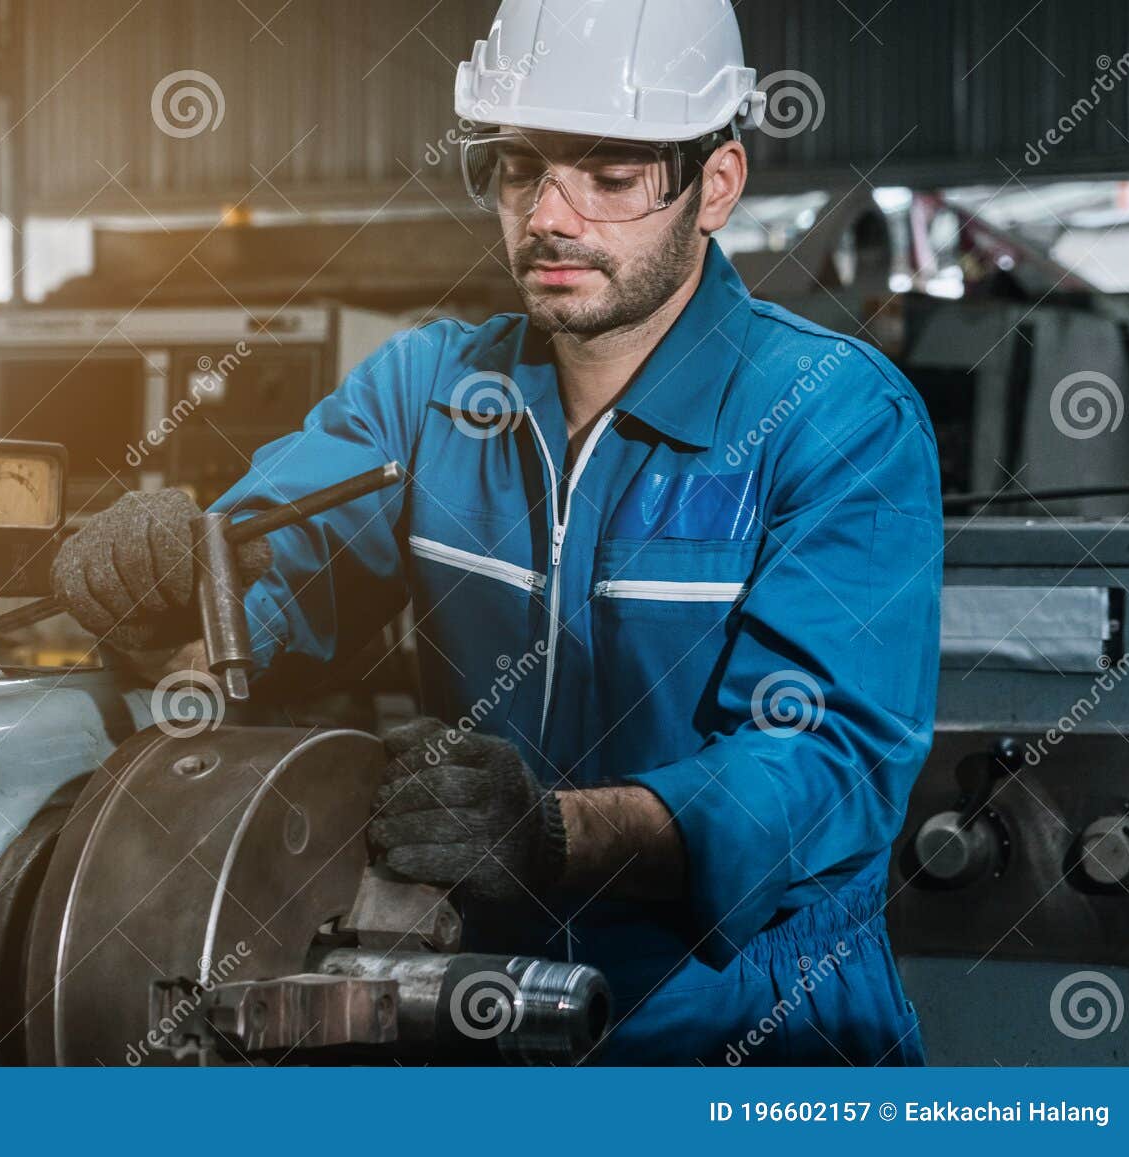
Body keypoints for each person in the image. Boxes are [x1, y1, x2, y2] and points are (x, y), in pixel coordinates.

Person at [54, 0, 941, 1065]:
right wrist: (161, 595)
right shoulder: (428, 394)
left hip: (749, 1019)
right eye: (522, 168)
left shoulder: (831, 419)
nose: (551, 217)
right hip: (482, 1002)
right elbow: (253, 602)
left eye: (609, 175)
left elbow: (824, 760)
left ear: (714, 186)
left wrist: (558, 836)